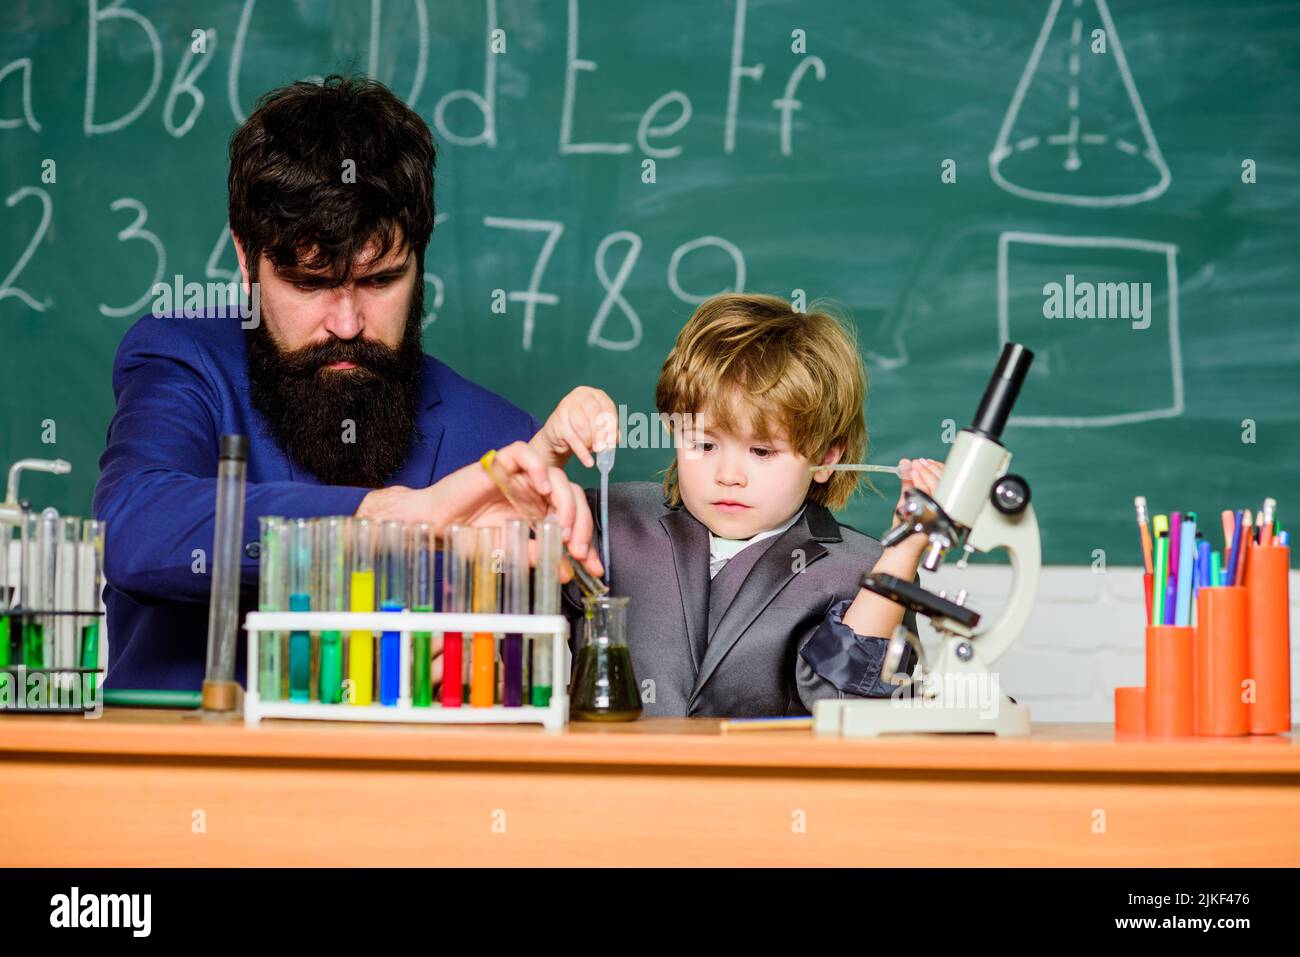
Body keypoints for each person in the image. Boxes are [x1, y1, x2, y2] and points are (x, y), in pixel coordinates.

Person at [93, 75, 598, 691]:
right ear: (245, 259)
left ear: (421, 257)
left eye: (380, 280)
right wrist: (390, 522)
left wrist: (508, 639)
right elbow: (133, 529)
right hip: (183, 754)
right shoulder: (185, 359)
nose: (347, 323)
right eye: (309, 283)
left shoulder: (501, 441)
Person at [538, 293, 943, 717]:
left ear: (825, 458)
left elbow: (852, 707)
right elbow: (506, 594)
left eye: (762, 451)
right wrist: (547, 453)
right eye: (704, 445)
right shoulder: (609, 520)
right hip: (608, 762)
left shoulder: (863, 572)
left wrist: (903, 553)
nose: (729, 475)